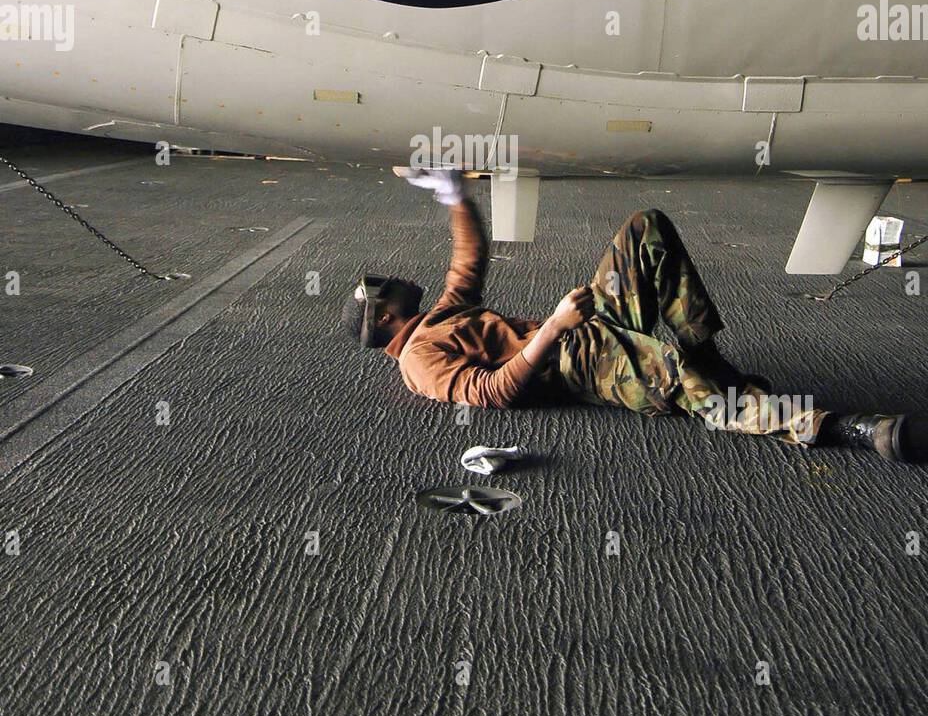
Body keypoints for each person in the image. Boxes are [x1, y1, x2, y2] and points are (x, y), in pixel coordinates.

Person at [341, 168, 925, 462]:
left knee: (644, 229)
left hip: (584, 328)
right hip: (580, 365)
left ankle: (706, 355)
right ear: (386, 320)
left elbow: (468, 260)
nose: (394, 282)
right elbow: (495, 392)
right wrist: (553, 328)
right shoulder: (419, 360)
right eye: (385, 291)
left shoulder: (440, 315)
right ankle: (847, 427)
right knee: (700, 393)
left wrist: (453, 195)